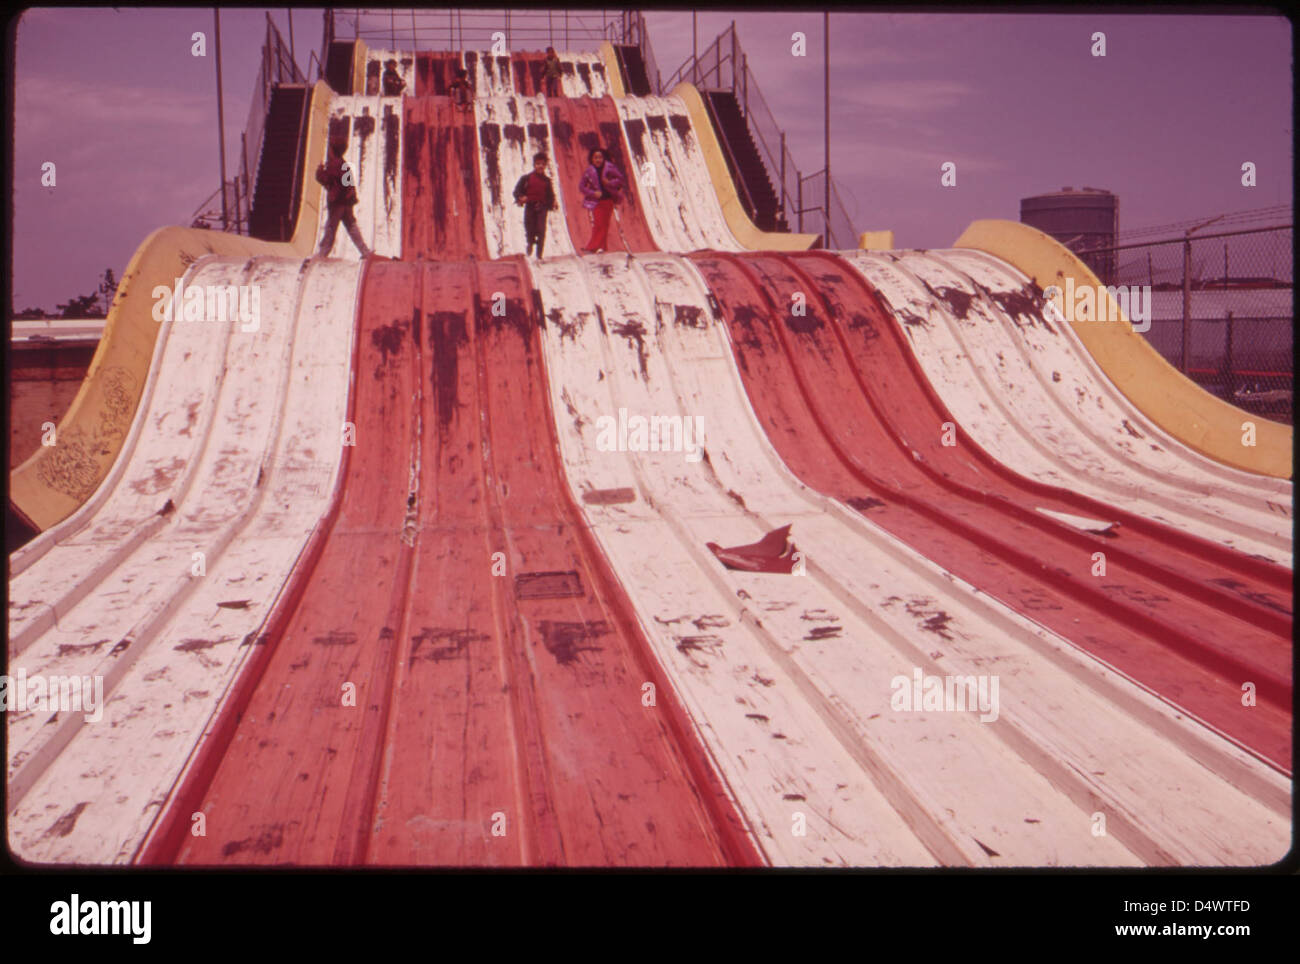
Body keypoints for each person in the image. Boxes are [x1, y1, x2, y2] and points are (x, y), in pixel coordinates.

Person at [315, 138, 372, 258]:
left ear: (332, 150)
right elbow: (349, 184)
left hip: (337, 203)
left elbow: (324, 179)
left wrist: (319, 170)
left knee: (330, 228)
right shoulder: (344, 165)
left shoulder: (333, 164)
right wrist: (350, 200)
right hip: (347, 202)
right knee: (352, 227)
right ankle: (365, 251)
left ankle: (323, 253)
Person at [579, 147, 624, 253]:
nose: (598, 160)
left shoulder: (609, 167)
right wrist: (593, 193)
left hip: (608, 199)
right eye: (595, 158)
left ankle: (601, 247)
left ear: (603, 158)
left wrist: (609, 183)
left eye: (600, 157)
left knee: (604, 224)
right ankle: (591, 247)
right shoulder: (589, 171)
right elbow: (582, 186)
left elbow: (620, 179)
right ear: (592, 159)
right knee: (598, 223)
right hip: (596, 201)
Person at [513, 152, 557, 258]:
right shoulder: (526, 178)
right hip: (530, 207)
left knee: (541, 230)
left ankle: (539, 253)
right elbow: (516, 191)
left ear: (545, 165)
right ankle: (530, 243)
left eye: (542, 164)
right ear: (534, 165)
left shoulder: (547, 181)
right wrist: (520, 197)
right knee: (530, 228)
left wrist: (553, 203)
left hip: (542, 207)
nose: (540, 166)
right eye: (538, 164)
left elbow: (550, 195)